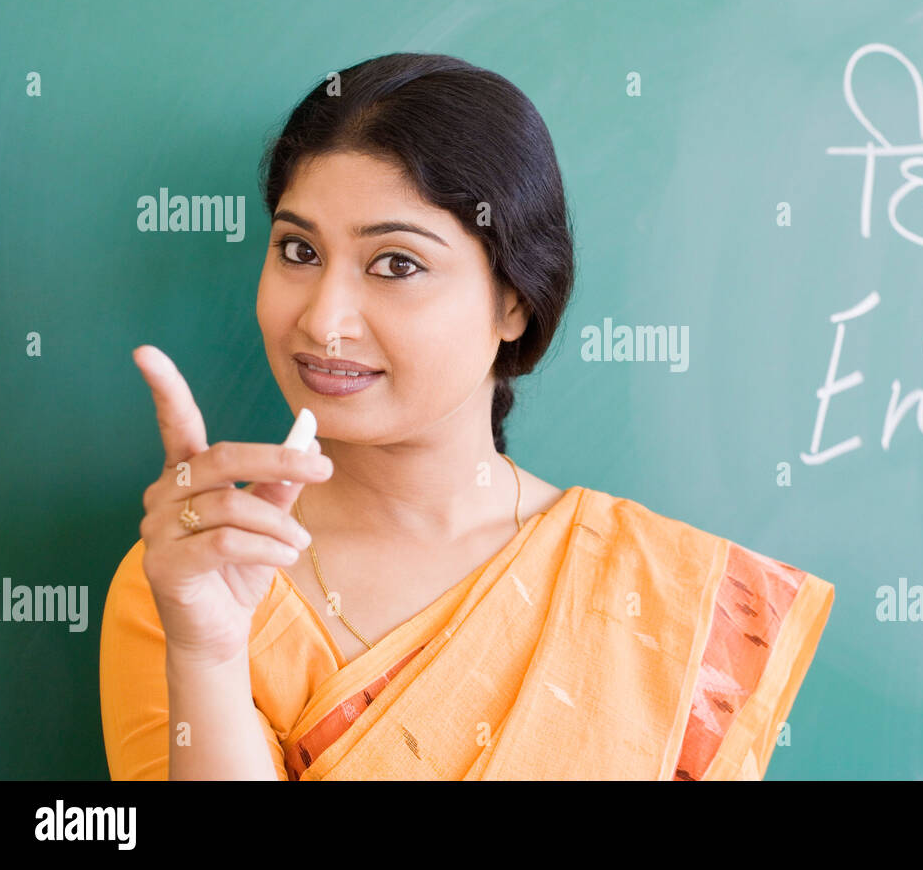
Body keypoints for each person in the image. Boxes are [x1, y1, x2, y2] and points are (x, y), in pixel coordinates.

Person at [99, 53, 835, 780]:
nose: (324, 319)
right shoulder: (198, 572)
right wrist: (208, 653)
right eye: (299, 250)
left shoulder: (670, 598)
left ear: (514, 300)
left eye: (396, 264)